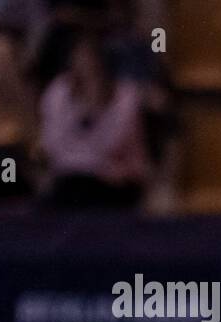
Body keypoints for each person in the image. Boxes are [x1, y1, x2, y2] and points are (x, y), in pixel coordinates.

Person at [38, 29, 148, 207]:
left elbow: (113, 145)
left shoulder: (126, 97)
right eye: (81, 56)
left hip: (113, 181)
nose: (87, 64)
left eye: (93, 57)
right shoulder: (58, 91)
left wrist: (97, 103)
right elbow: (52, 144)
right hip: (69, 180)